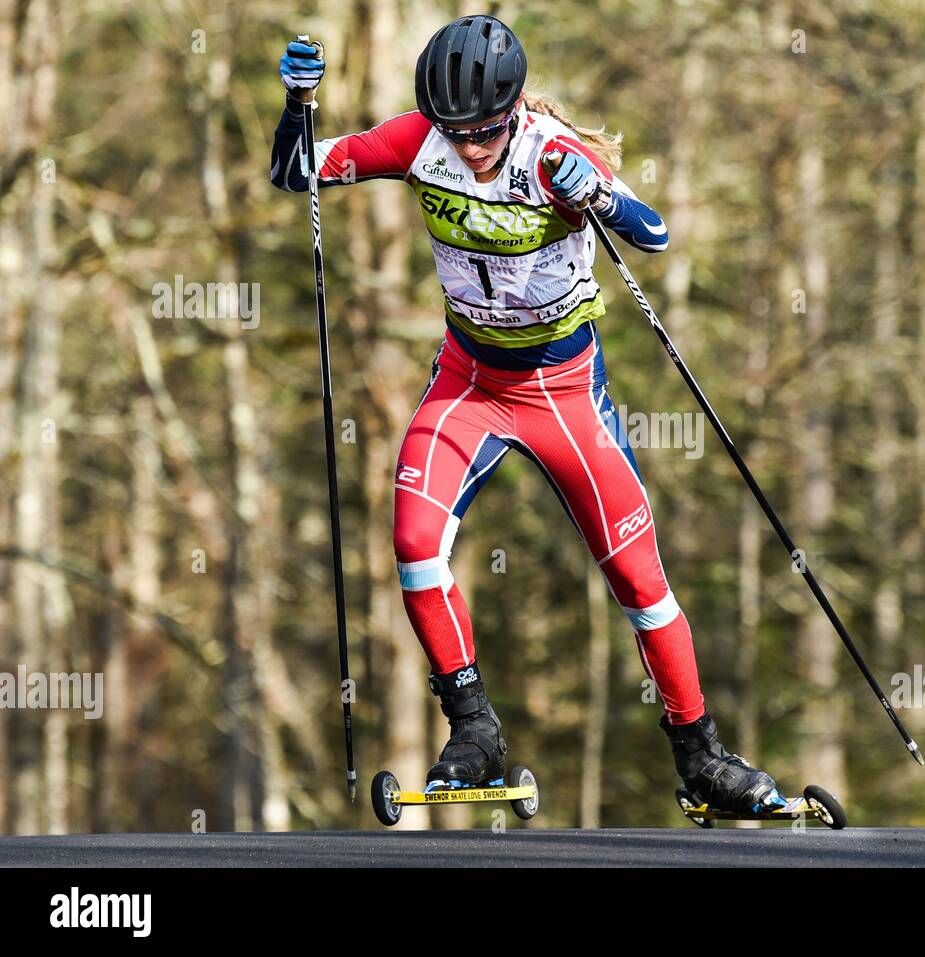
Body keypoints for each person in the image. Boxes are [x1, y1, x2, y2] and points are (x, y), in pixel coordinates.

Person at [271, 14, 782, 814]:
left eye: (484, 133)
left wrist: (601, 196)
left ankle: (701, 755)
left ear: (511, 113)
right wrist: (298, 100)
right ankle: (474, 730)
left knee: (639, 580)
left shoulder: (548, 153)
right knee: (412, 541)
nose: (469, 148)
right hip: (468, 380)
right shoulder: (417, 142)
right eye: (455, 132)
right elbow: (299, 172)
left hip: (563, 389)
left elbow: (655, 233)